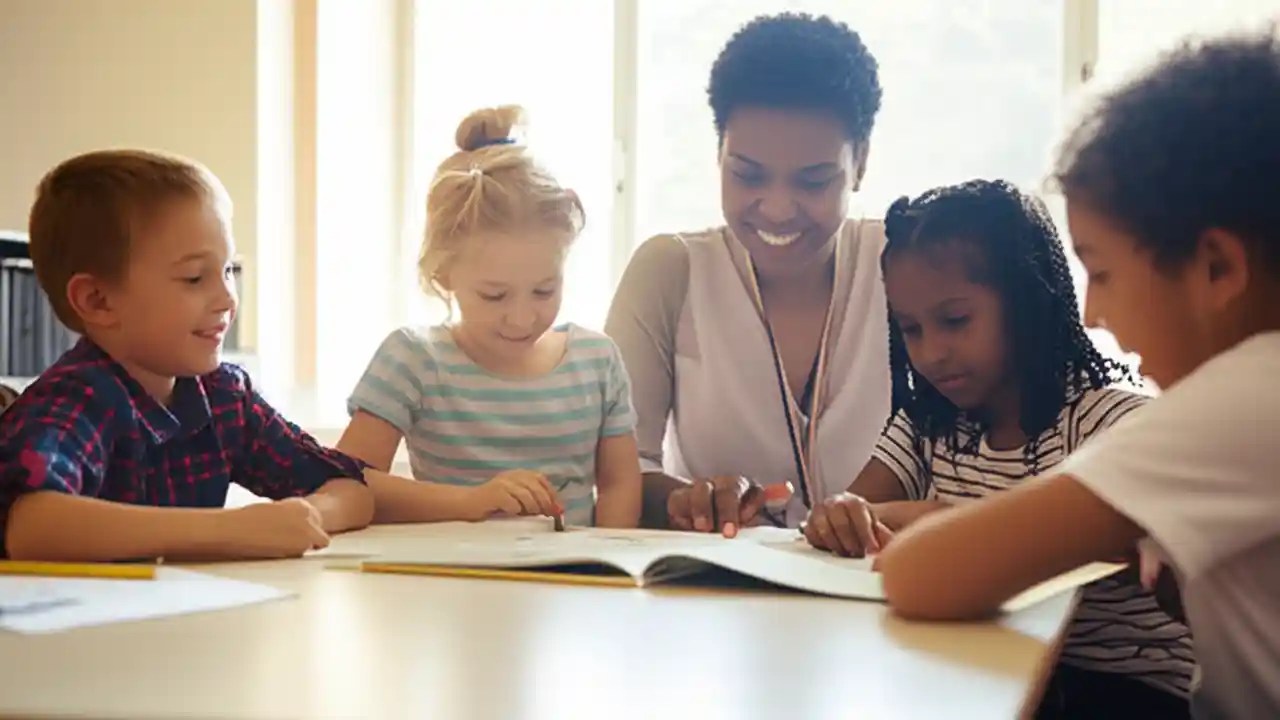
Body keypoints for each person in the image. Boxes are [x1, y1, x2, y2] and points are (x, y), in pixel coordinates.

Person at [878, 28, 1280, 719]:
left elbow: (921, 576)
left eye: (1102, 272)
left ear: (1217, 268)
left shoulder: (1249, 393)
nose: (1093, 314)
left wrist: (942, 522)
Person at [804, 180, 1193, 717]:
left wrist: (942, 521)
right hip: (983, 666)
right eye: (910, 329)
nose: (932, 353)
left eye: (956, 321)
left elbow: (1124, 550)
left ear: (1028, 302)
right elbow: (854, 513)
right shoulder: (926, 425)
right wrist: (839, 516)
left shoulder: (1108, 423)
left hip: (1124, 685)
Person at [0, 149, 373, 561]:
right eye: (195, 277)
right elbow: (32, 525)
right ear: (98, 300)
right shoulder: (76, 398)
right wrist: (228, 530)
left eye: (228, 270)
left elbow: (350, 488)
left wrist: (306, 516)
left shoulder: (221, 394)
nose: (228, 298)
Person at [606, 12, 890, 535]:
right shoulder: (669, 271)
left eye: (814, 181)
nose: (778, 209)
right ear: (719, 154)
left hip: (889, 591)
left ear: (861, 163)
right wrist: (692, 500)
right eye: (747, 175)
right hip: (718, 601)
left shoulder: (904, 266)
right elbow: (617, 468)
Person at [337, 106, 642, 528]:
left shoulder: (597, 361)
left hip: (576, 585)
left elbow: (620, 485)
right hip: (451, 583)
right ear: (442, 274)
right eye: (494, 295)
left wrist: (612, 570)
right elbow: (346, 483)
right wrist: (471, 502)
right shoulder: (414, 359)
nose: (521, 319)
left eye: (544, 290)